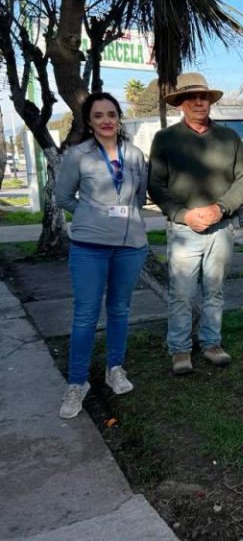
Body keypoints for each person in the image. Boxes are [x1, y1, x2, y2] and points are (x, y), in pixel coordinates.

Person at [149, 73, 243, 375]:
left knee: (214, 291)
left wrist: (221, 208)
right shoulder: (165, 139)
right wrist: (184, 215)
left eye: (203, 96)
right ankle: (180, 349)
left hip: (221, 228)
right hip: (183, 231)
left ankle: (211, 343)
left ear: (210, 101)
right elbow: (155, 184)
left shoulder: (229, 138)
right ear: (180, 103)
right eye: (191, 97)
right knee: (180, 294)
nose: (198, 102)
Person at [55, 92, 148, 419]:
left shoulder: (134, 154)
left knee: (120, 309)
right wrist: (91, 214)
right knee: (85, 315)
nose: (106, 120)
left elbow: (138, 196)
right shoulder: (77, 155)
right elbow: (63, 196)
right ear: (89, 122)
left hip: (130, 246)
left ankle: (114, 368)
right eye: (99, 116)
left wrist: (122, 217)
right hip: (89, 247)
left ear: (118, 117)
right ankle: (77, 383)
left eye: (111, 114)